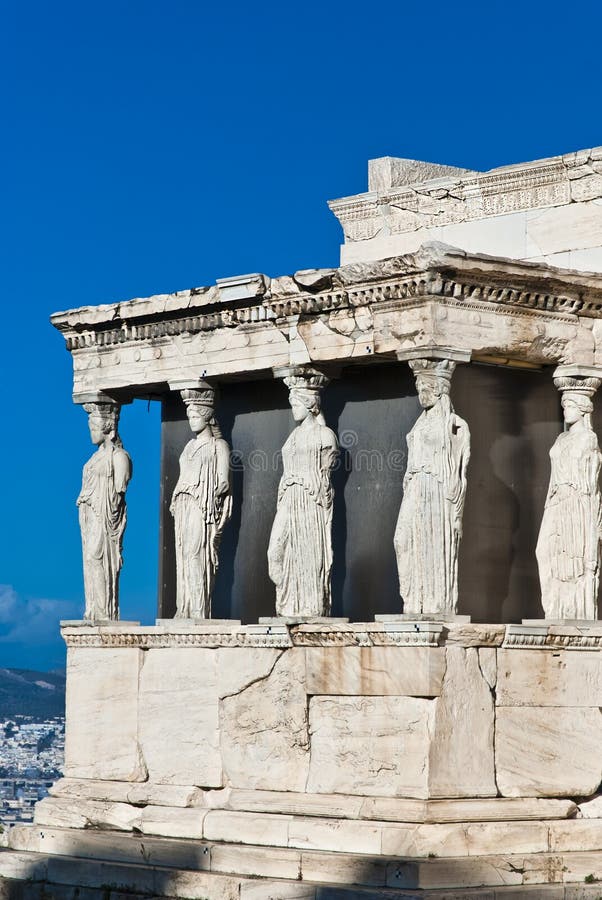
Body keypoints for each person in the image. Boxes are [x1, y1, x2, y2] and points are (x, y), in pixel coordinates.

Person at [394, 358, 470, 616]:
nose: (420, 395)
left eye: (425, 389)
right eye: (418, 389)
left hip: (437, 490)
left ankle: (435, 603)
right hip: (415, 486)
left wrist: (456, 510)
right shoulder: (419, 423)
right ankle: (414, 600)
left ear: (439, 390)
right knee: (401, 540)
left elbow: (461, 472)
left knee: (434, 543)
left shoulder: (455, 425)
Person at [268, 373, 338, 617]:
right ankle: (289, 603)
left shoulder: (326, 436)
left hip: (310, 500)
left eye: (297, 404)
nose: (293, 410)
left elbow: (326, 475)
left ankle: (310, 606)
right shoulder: (293, 436)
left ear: (310, 405)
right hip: (288, 498)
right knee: (275, 552)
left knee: (309, 554)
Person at [536, 382, 602, 620]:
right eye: (564, 405)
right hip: (555, 500)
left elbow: (591, 485)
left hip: (576, 503)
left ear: (584, 409)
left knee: (573, 561)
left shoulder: (588, 439)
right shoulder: (561, 438)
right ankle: (554, 610)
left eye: (570, 405)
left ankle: (574, 611)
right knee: (543, 551)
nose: (566, 410)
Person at [170, 388, 232, 618]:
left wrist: (216, 492)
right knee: (183, 556)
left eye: (195, 416)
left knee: (197, 554)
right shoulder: (188, 447)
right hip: (183, 503)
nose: (191, 421)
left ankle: (199, 609)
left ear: (207, 417)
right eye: (189, 417)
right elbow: (182, 474)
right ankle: (184, 608)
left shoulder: (219, 446)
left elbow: (224, 481)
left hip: (201, 506)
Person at [78, 401, 132, 621]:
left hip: (105, 518)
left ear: (108, 427)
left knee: (98, 558)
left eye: (94, 428)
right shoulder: (94, 458)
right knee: (90, 561)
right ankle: (94, 610)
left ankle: (105, 611)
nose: (91, 433)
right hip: (90, 517)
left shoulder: (119, 457)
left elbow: (120, 488)